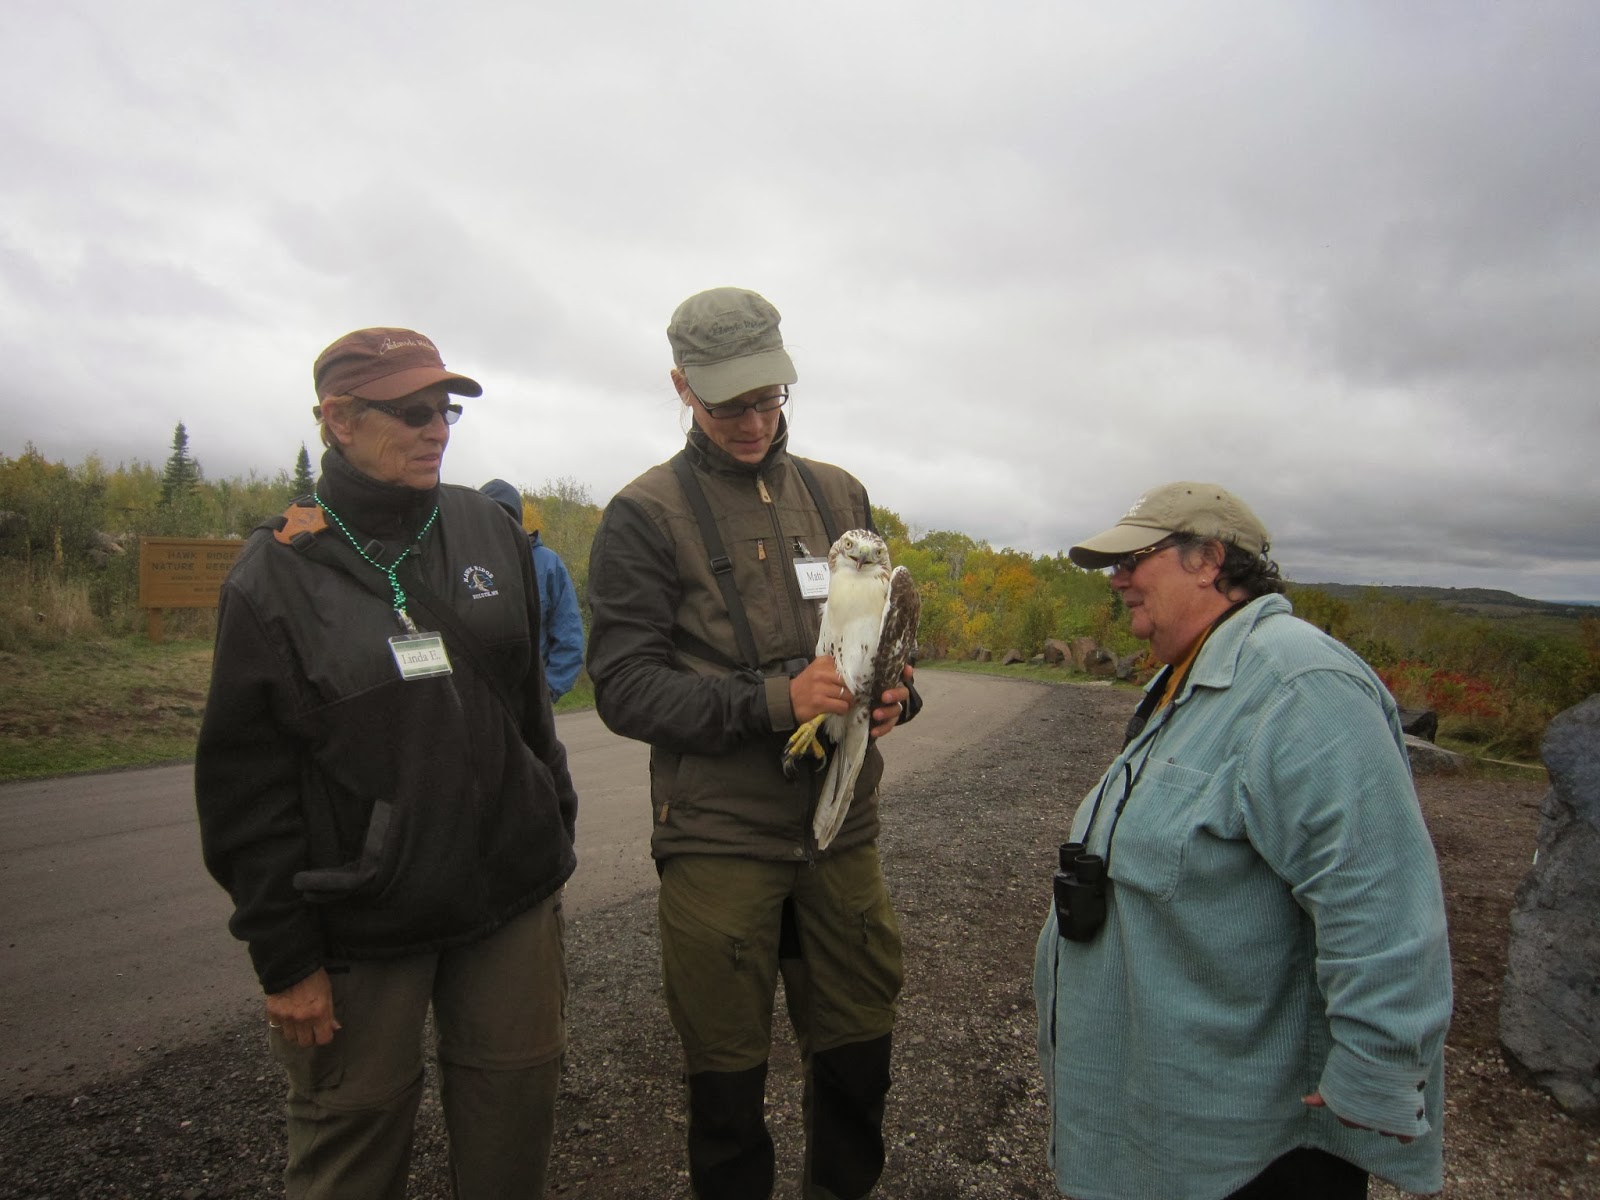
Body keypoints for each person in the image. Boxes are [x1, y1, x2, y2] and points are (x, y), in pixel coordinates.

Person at [195, 327, 578, 1199]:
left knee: (514, 1133)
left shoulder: (489, 528)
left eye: (444, 410)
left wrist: (550, 812)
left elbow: (527, 706)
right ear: (336, 418)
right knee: (349, 1155)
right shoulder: (273, 578)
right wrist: (286, 959)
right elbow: (243, 790)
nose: (436, 430)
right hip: (363, 925)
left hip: (510, 904)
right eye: (409, 412)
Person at [585, 286, 920, 1200]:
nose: (752, 419)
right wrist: (775, 700)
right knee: (727, 1093)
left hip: (838, 831)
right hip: (720, 839)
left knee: (857, 1065)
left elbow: (879, 633)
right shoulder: (643, 514)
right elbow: (623, 687)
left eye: (768, 396)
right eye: (728, 400)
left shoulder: (838, 491)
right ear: (680, 386)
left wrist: (896, 697)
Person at [1033, 482, 1452, 1200]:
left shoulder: (1299, 685)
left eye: (1136, 557)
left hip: (1254, 1154)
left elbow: (1378, 889)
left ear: (1209, 559)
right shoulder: (1193, 675)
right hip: (1170, 1125)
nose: (1118, 578)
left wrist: (1378, 1066)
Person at [479, 478, 586, 702]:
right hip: (479, 705)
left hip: (530, 703)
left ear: (517, 517)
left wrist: (548, 691)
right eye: (489, 512)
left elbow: (569, 636)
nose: (499, 520)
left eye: (507, 513)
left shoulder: (547, 564)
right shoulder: (466, 565)